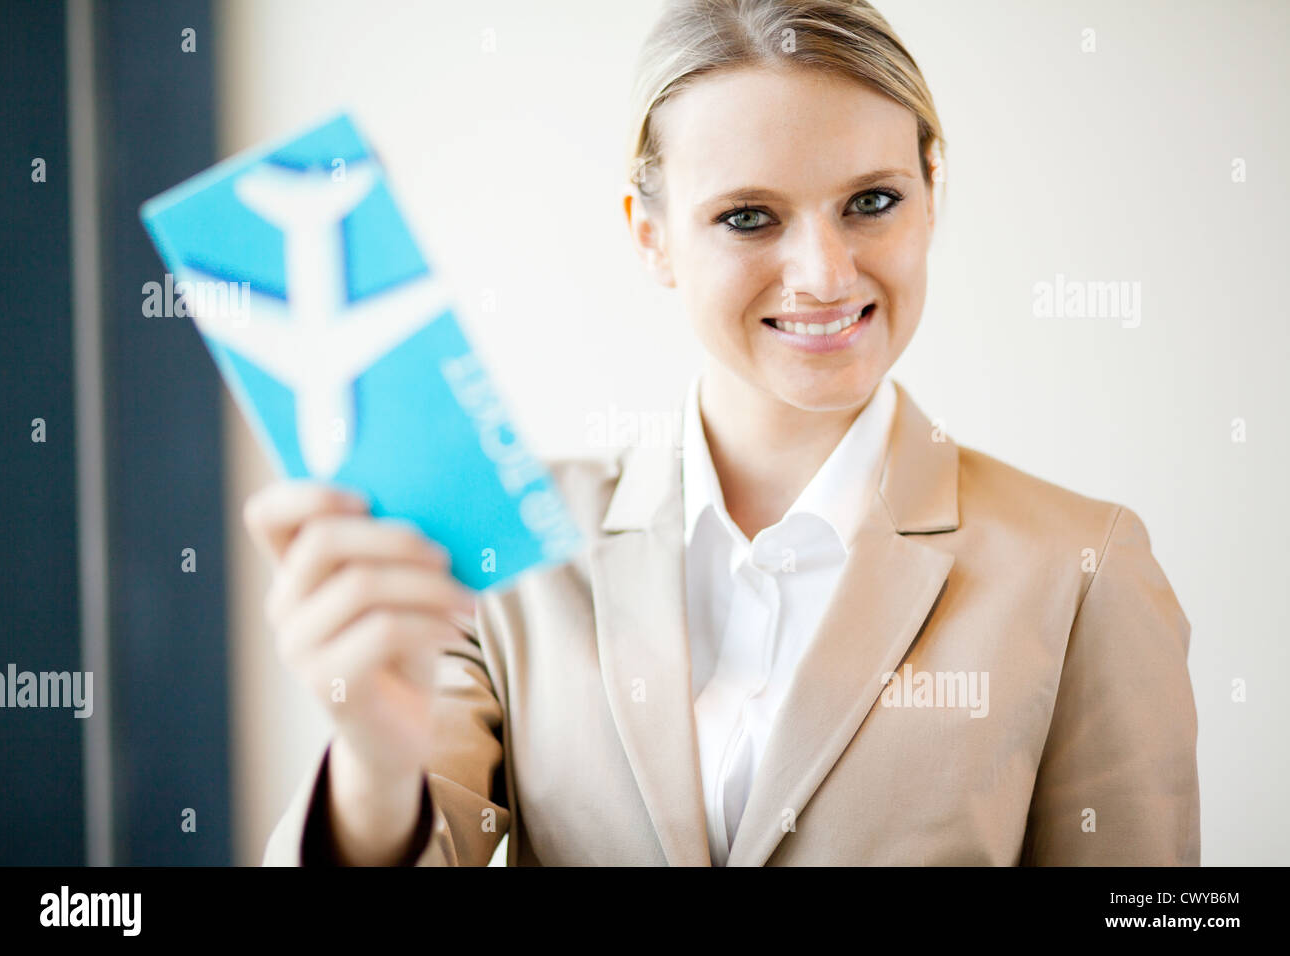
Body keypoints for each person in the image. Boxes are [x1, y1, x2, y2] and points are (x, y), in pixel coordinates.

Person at [250, 0, 1200, 866]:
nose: (824, 275)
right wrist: (373, 763)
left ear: (932, 192)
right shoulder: (514, 543)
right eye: (749, 217)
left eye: (872, 201)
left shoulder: (1081, 567)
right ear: (650, 235)